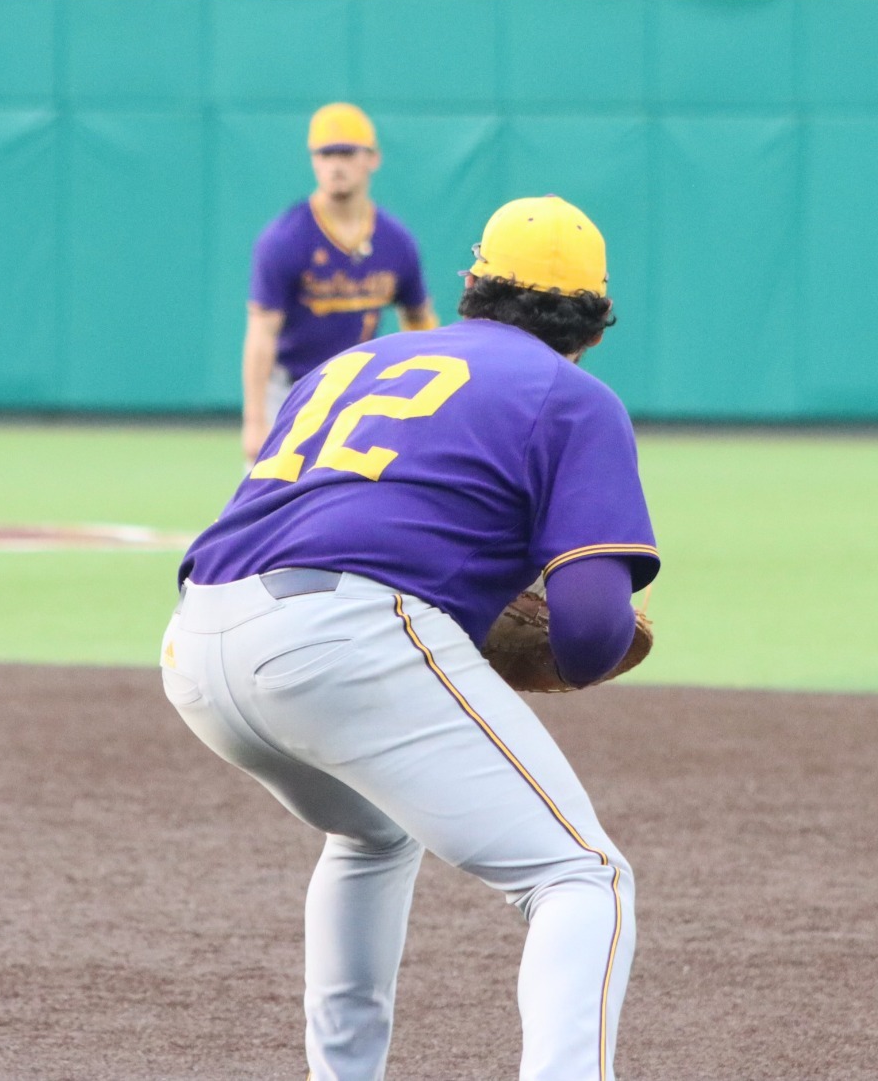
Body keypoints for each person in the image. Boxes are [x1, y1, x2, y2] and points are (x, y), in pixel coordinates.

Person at [165, 196, 658, 1081]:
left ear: (472, 291)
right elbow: (588, 630)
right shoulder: (571, 395)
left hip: (196, 637)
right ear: (591, 327)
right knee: (584, 879)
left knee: (374, 831)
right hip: (343, 638)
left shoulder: (355, 360)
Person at [242, 103, 437, 462]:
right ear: (314, 161)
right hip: (291, 390)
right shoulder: (285, 239)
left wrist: (424, 390)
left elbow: (420, 322)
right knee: (266, 501)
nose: (336, 165)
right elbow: (261, 334)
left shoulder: (396, 241)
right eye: (325, 154)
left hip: (360, 391)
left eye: (347, 153)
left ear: (372, 159)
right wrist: (255, 420)